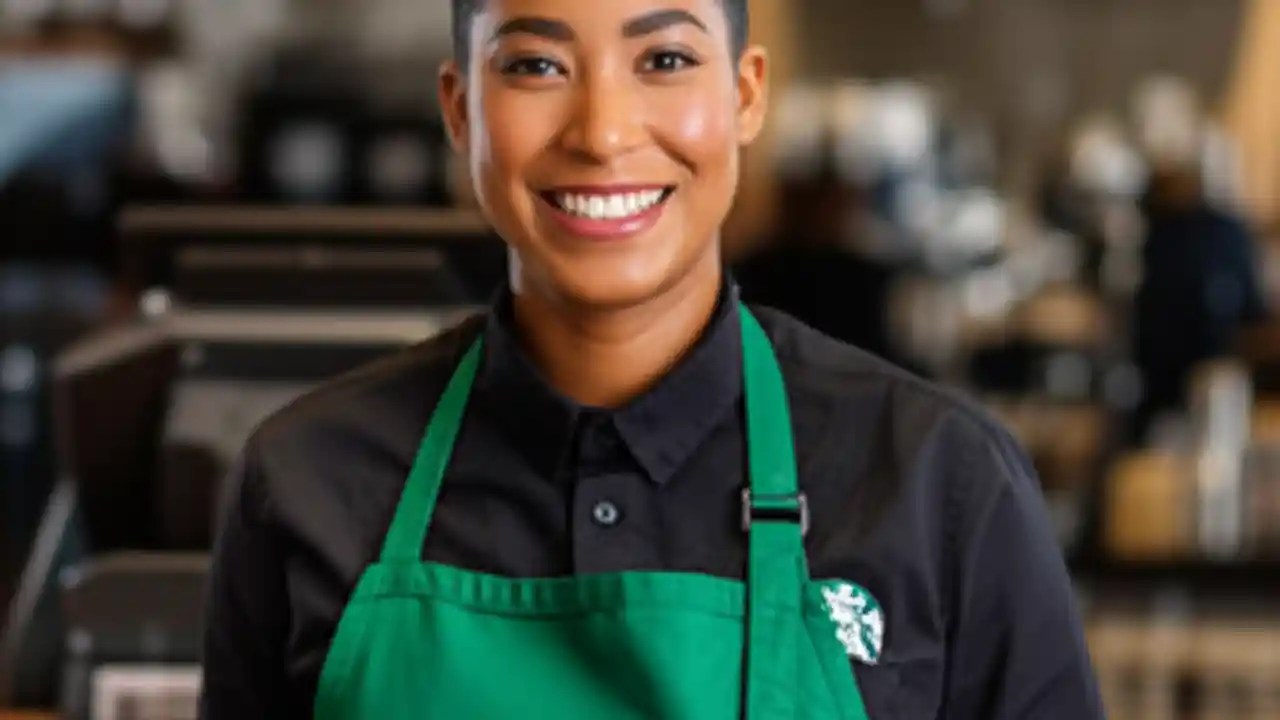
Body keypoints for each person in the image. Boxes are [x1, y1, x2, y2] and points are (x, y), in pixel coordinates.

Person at [199, 1, 1104, 718]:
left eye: (664, 60)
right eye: (535, 65)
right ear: (461, 109)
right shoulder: (306, 479)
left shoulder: (940, 483)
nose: (602, 131)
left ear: (747, 95)